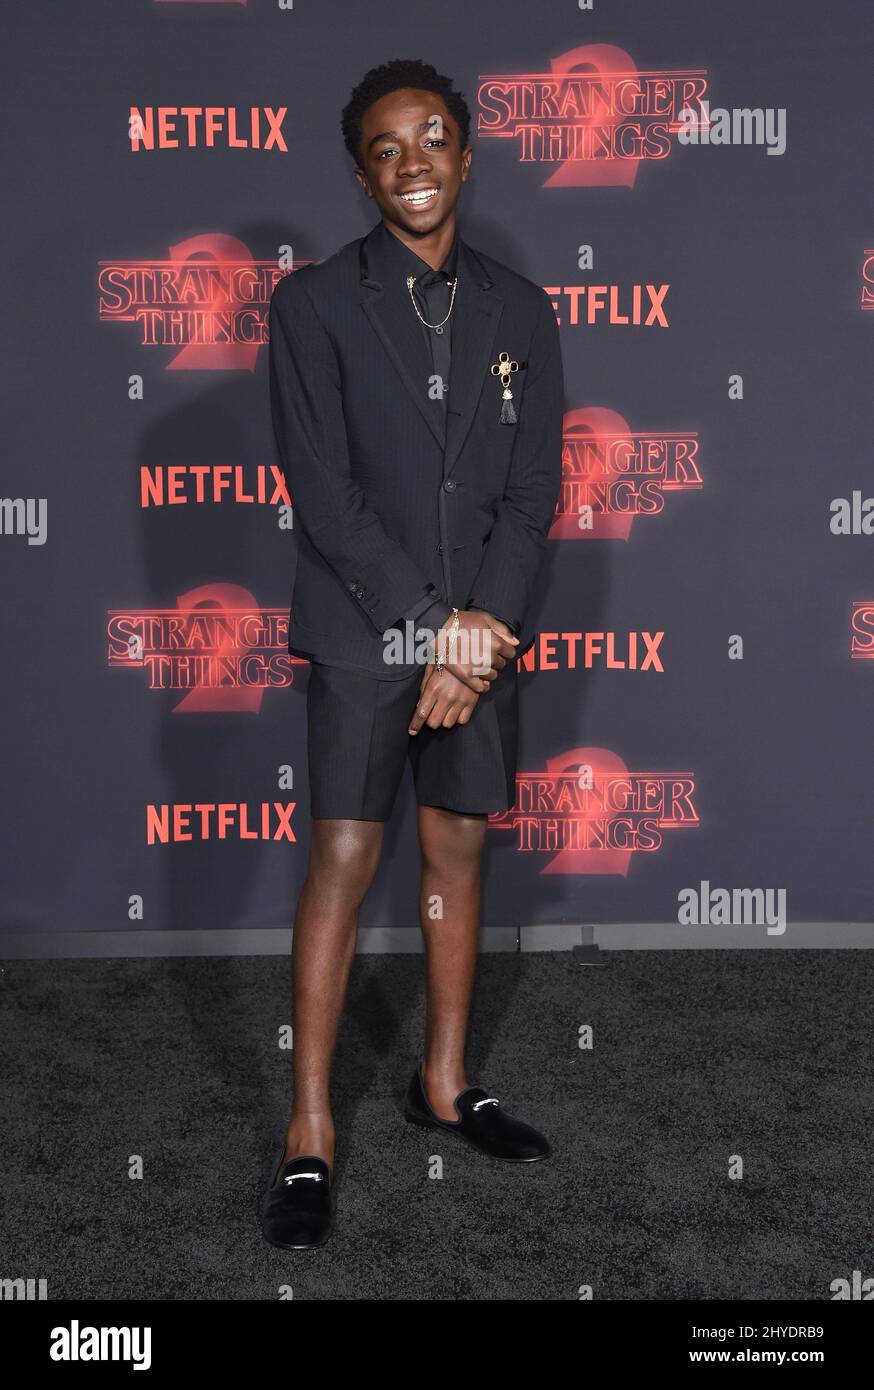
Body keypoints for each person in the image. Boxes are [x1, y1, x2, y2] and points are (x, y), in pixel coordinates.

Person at [261, 57, 565, 1250]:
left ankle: (444, 1082)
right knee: (342, 853)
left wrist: (472, 636)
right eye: (385, 148)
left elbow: (531, 497)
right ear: (360, 173)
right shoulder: (313, 305)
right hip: (363, 625)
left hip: (477, 636)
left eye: (430, 138)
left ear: (466, 153)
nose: (412, 163)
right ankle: (308, 1128)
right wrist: (431, 626)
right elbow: (323, 499)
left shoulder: (520, 311)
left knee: (457, 844)